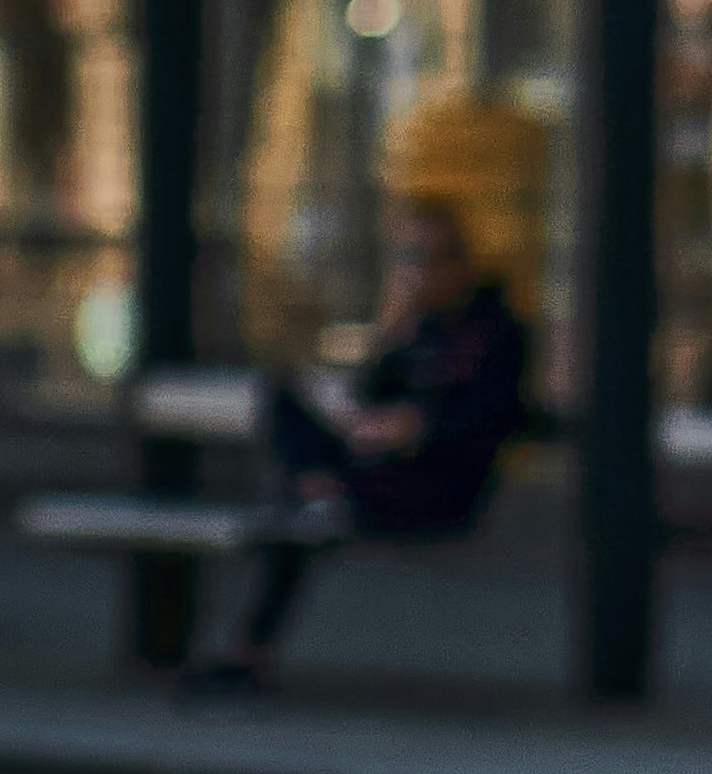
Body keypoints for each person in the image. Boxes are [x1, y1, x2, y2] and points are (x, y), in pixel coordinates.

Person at [187, 199, 526, 690]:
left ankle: (250, 645)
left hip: (435, 484)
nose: (423, 273)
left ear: (462, 262)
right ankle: (319, 495)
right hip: (370, 470)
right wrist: (392, 334)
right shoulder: (418, 329)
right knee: (284, 403)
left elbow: (497, 414)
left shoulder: (498, 332)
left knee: (296, 510)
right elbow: (367, 397)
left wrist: (419, 423)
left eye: (436, 258)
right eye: (410, 259)